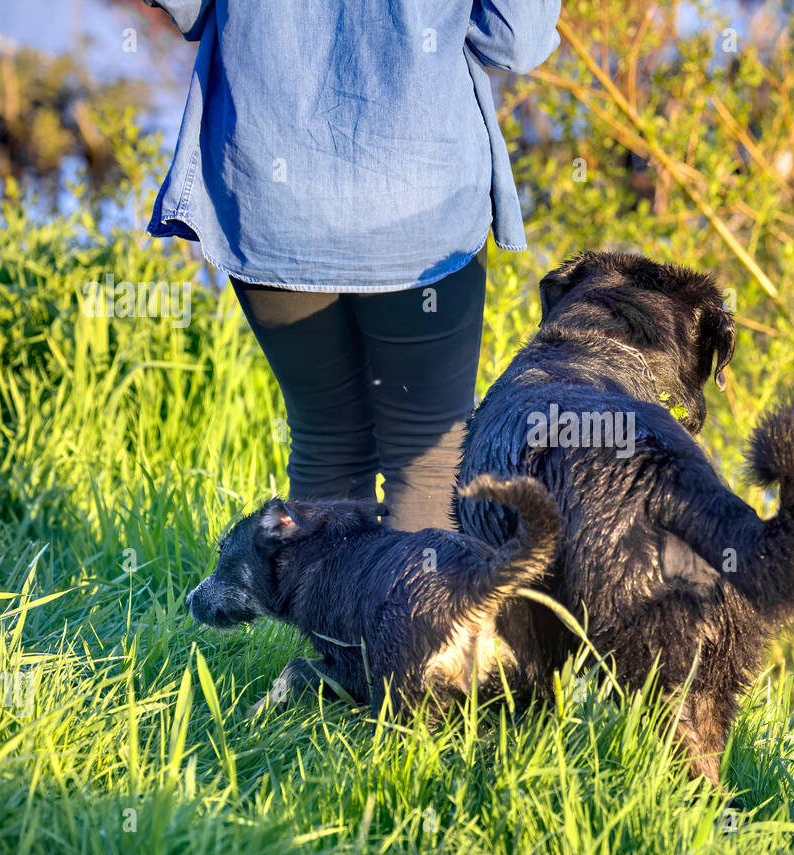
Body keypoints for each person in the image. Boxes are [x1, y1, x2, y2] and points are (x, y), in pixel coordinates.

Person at [145, 0, 561, 530]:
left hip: (270, 197)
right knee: (428, 461)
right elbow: (515, 40)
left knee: (326, 443)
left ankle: (328, 613)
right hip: (420, 203)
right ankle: (421, 613)